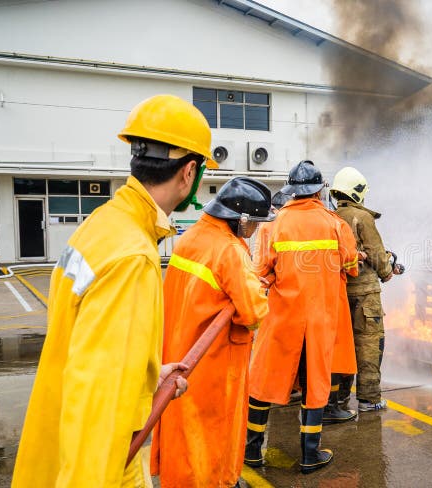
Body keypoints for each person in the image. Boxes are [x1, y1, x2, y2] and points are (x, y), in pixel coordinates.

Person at [12, 94, 216, 487]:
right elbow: (98, 407)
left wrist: (147, 378)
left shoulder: (100, 224)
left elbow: (86, 347)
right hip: (99, 468)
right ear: (189, 173)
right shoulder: (133, 258)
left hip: (57, 438)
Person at [150, 177, 273, 487]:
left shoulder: (191, 237)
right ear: (240, 219)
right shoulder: (229, 250)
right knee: (214, 431)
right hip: (214, 361)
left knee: (182, 426)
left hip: (180, 349)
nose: (256, 229)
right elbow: (254, 312)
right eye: (254, 223)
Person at [244, 160, 358, 474]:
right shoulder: (335, 224)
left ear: (292, 191)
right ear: (320, 190)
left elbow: (259, 272)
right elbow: (350, 264)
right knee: (314, 383)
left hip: (280, 318)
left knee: (263, 380)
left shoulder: (272, 224)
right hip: (320, 321)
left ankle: (252, 451)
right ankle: (310, 455)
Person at [331, 166, 403, 412]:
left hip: (339, 292)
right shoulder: (362, 217)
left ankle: (338, 400)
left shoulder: (330, 218)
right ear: (358, 192)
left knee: (342, 347)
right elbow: (375, 252)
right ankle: (369, 400)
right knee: (369, 344)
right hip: (365, 294)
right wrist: (387, 271)